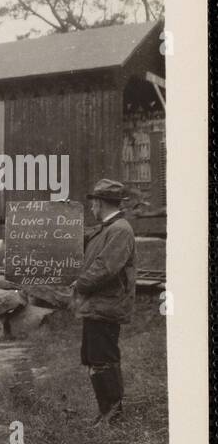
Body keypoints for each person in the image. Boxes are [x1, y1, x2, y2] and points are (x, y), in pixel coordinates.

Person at [72, 178, 137, 425]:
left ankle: (113, 414)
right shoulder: (107, 228)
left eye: (93, 203)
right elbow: (86, 237)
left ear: (99, 203)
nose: (91, 208)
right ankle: (107, 411)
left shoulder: (119, 229)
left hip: (107, 306)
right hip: (97, 306)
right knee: (93, 357)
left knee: (103, 358)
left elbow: (105, 268)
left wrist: (78, 284)